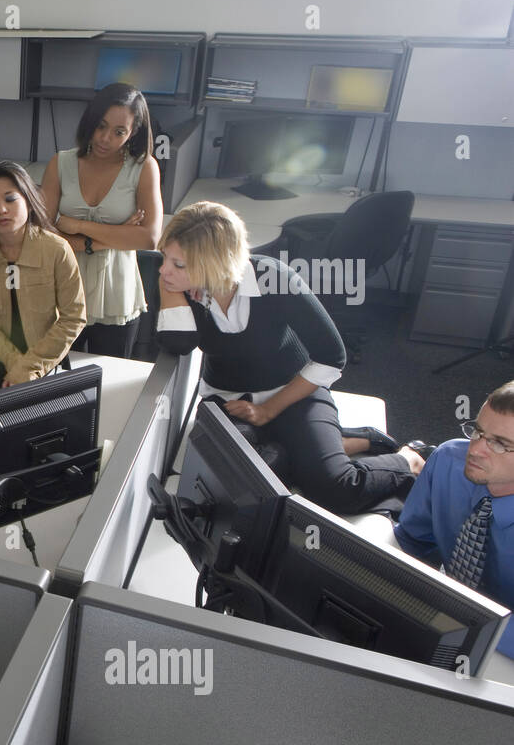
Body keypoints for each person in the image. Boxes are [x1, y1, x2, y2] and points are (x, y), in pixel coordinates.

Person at [155, 201, 424, 515]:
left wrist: (269, 409)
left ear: (215, 263)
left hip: (293, 393)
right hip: (227, 399)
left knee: (334, 490)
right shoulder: (179, 286)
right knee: (245, 486)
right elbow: (178, 343)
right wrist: (169, 287)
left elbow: (332, 356)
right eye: (164, 258)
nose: (163, 269)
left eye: (179, 264)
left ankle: (407, 459)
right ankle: (336, 444)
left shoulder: (274, 278)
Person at [41, 83, 162, 359]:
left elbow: (149, 238)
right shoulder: (60, 163)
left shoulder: (144, 168)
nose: (105, 138)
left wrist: (79, 228)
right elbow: (43, 235)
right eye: (101, 126)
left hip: (116, 296)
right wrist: (117, 235)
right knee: (55, 381)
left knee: (109, 382)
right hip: (63, 290)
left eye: (119, 132)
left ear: (133, 132)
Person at [396, 382, 514, 654]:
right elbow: (413, 540)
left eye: (499, 444)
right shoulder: (449, 460)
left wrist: (466, 625)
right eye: (478, 432)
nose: (475, 449)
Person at [0, 160, 86, 389]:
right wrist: (16, 365)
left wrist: (29, 367)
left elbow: (73, 317)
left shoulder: (57, 249)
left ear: (29, 201)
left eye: (10, 199)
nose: (1, 209)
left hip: (48, 362)